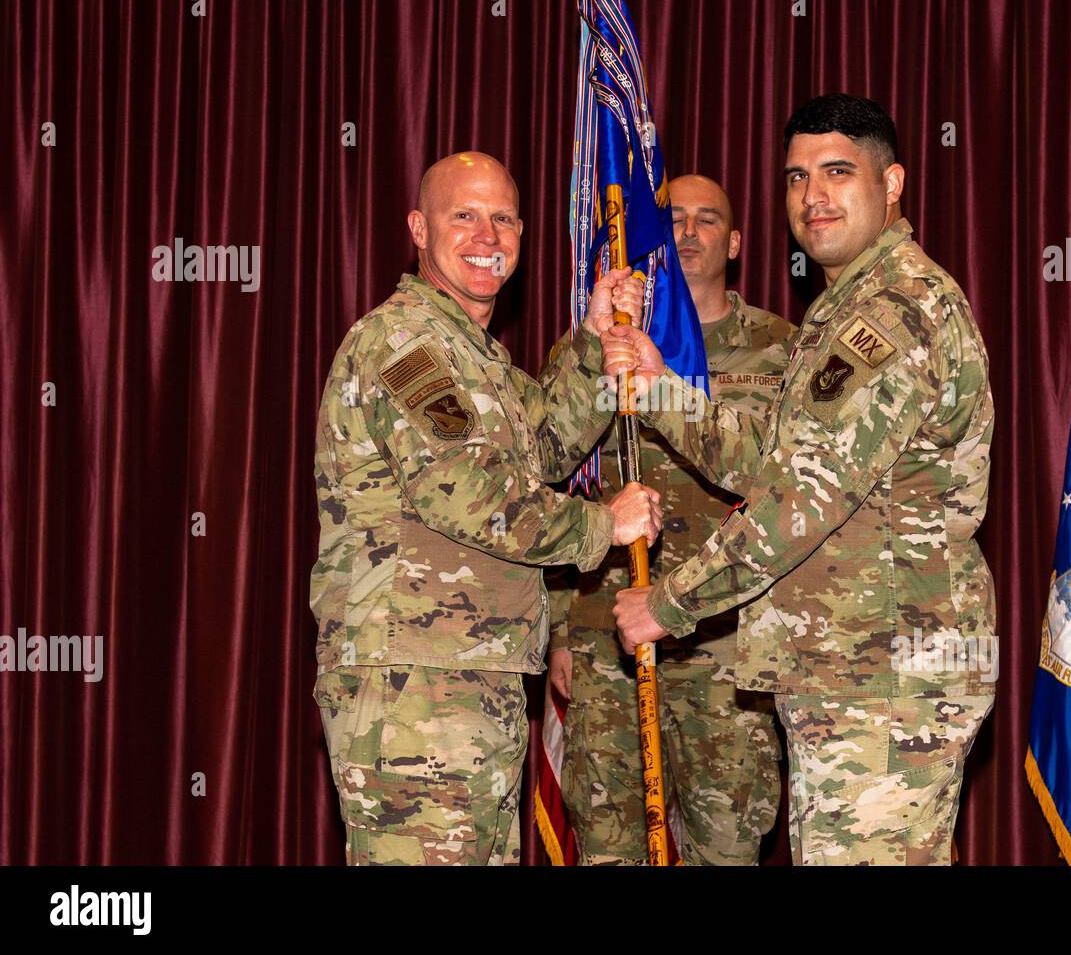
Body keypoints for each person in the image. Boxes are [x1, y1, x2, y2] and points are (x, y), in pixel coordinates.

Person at [605, 95, 997, 865]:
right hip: (856, 668)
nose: (813, 195)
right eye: (796, 176)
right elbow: (776, 461)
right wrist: (661, 392)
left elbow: (798, 501)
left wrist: (669, 605)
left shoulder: (892, 311)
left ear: (892, 185)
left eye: (838, 172)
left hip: (884, 674)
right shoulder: (844, 309)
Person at [309, 151, 661, 866]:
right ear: (418, 227)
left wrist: (593, 341)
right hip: (411, 689)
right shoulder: (405, 343)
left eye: (503, 218)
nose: (486, 235)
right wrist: (603, 524)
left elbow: (545, 447)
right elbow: (472, 495)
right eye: (462, 215)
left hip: (475, 677)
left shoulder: (476, 357)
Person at [546, 175, 793, 865]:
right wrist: (561, 627)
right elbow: (557, 479)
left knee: (728, 845)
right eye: (673, 218)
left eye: (707, 219)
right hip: (607, 635)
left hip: (727, 642)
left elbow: (795, 494)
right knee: (607, 844)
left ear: (736, 241)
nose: (687, 232)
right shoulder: (609, 343)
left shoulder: (782, 349)